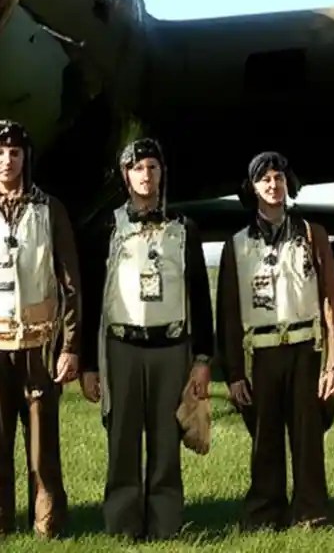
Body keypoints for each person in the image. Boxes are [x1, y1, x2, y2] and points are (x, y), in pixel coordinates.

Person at [0, 119, 81, 541]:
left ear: (26, 159)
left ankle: (48, 526)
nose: (8, 161)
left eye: (15, 153)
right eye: (0, 153)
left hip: (40, 346)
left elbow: (70, 283)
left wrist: (70, 346)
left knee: (43, 449)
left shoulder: (49, 210)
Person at [78, 138, 214, 540]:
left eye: (153, 167)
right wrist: (89, 364)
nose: (146, 175)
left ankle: (165, 524)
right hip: (122, 347)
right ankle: (122, 524)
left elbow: (200, 295)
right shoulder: (106, 228)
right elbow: (92, 297)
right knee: (122, 438)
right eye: (138, 168)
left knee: (166, 438)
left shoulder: (184, 229)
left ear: (162, 173)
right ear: (126, 176)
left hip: (170, 347)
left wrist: (202, 358)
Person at [215, 151, 334, 531]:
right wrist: (234, 373)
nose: (273, 185)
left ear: (288, 184)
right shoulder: (237, 245)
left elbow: (331, 301)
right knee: (265, 437)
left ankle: (311, 510)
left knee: (308, 437)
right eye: (265, 179)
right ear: (253, 187)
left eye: (279, 178)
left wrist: (333, 363)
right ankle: (264, 512)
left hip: (305, 349)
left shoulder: (311, 234)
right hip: (262, 353)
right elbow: (228, 314)